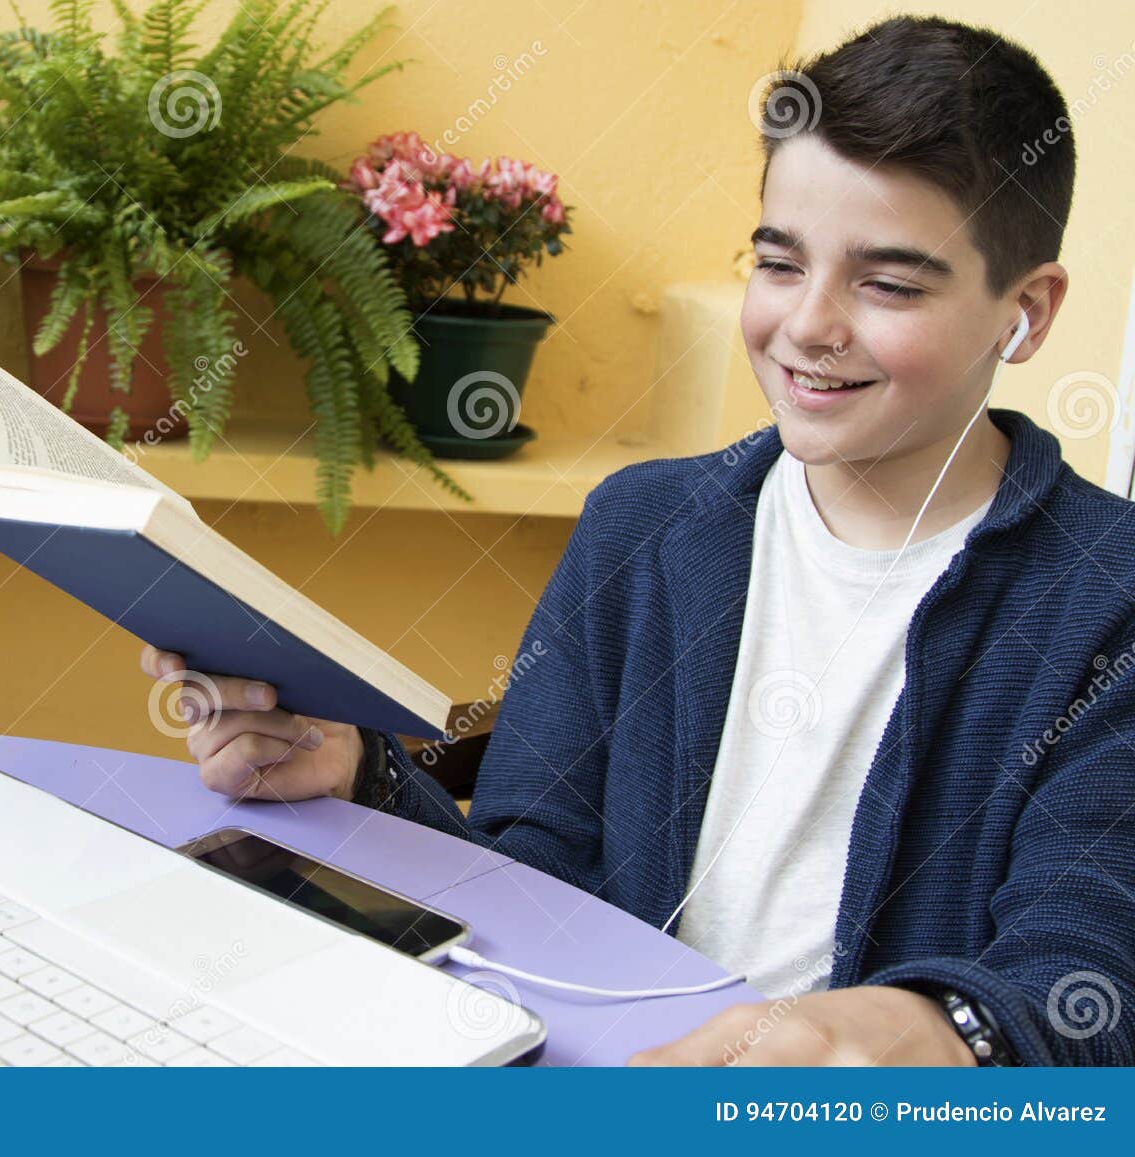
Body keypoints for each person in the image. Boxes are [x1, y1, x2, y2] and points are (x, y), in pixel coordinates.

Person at [137, 15, 1134, 1066]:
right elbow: (534, 880)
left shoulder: (1106, 599)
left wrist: (926, 1027)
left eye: (887, 283)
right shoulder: (644, 526)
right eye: (779, 262)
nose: (808, 324)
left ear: (1023, 313)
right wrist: (361, 777)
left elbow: (1085, 987)